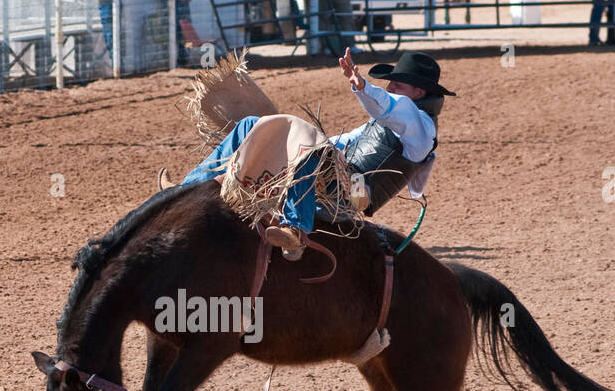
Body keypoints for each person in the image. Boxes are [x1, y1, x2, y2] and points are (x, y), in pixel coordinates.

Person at [175, 48, 448, 256]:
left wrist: (361, 85)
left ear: (419, 91)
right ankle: (190, 187)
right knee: (252, 125)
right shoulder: (395, 122)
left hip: (345, 198)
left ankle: (295, 228)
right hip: (333, 182)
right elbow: (343, 140)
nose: (390, 87)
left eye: (398, 85)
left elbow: (391, 105)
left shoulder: (420, 127)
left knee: (308, 145)